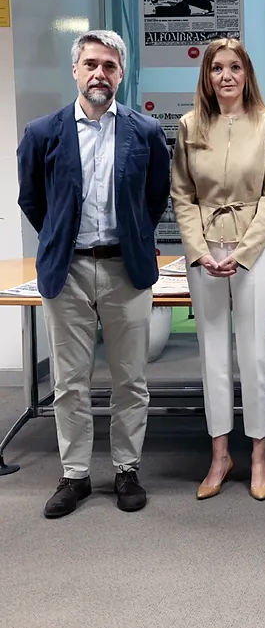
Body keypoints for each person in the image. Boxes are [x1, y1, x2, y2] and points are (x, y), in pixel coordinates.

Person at [16, 30, 171, 519]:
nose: (99, 74)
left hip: (127, 269)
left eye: (109, 65)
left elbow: (156, 196)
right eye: (91, 65)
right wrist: (62, 237)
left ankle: (127, 469)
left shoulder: (145, 131)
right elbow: (32, 199)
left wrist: (130, 238)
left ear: (121, 73)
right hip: (70, 269)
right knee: (69, 382)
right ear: (76, 71)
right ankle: (75, 475)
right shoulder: (43, 132)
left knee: (131, 379)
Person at [170, 38, 265, 502]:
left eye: (234, 67)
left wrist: (241, 254)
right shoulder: (189, 125)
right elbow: (181, 195)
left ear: (246, 73)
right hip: (205, 253)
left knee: (254, 354)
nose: (226, 76)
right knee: (212, 354)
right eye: (217, 68)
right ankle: (220, 454)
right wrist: (200, 252)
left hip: (254, 251)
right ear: (207, 76)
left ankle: (259, 452)